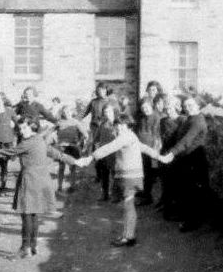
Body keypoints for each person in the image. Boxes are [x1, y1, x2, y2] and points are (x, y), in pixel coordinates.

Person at [0, 118, 81, 259]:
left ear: (32, 128)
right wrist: (75, 161)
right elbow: (57, 154)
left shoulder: (27, 143)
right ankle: (33, 246)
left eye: (24, 128)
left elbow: (8, 152)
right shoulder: (40, 140)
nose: (21, 131)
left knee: (26, 214)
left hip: (29, 180)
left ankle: (25, 248)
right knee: (34, 214)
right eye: (20, 128)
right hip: (42, 180)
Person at [76, 114, 175, 247]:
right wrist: (160, 157)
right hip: (132, 176)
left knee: (128, 206)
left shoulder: (125, 137)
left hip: (129, 176)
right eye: (118, 125)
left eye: (122, 125)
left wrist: (90, 158)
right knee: (128, 205)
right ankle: (129, 235)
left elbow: (109, 148)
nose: (119, 127)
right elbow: (145, 148)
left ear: (128, 125)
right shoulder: (132, 135)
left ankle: (129, 237)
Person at [161, 96, 209, 232]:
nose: (188, 107)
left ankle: (192, 223)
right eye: (186, 105)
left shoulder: (197, 121)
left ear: (198, 106)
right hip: (186, 159)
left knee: (193, 192)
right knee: (186, 190)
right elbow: (177, 137)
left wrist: (171, 154)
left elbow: (186, 141)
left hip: (195, 160)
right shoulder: (189, 118)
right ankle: (186, 217)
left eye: (191, 105)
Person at [52, 105, 86, 194]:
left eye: (68, 112)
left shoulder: (76, 122)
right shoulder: (59, 122)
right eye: (64, 112)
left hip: (73, 147)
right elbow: (51, 132)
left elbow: (85, 135)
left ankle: (72, 186)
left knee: (72, 167)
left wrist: (79, 143)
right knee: (61, 167)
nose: (66, 114)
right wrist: (54, 140)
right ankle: (59, 187)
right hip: (62, 147)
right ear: (62, 113)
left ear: (72, 112)